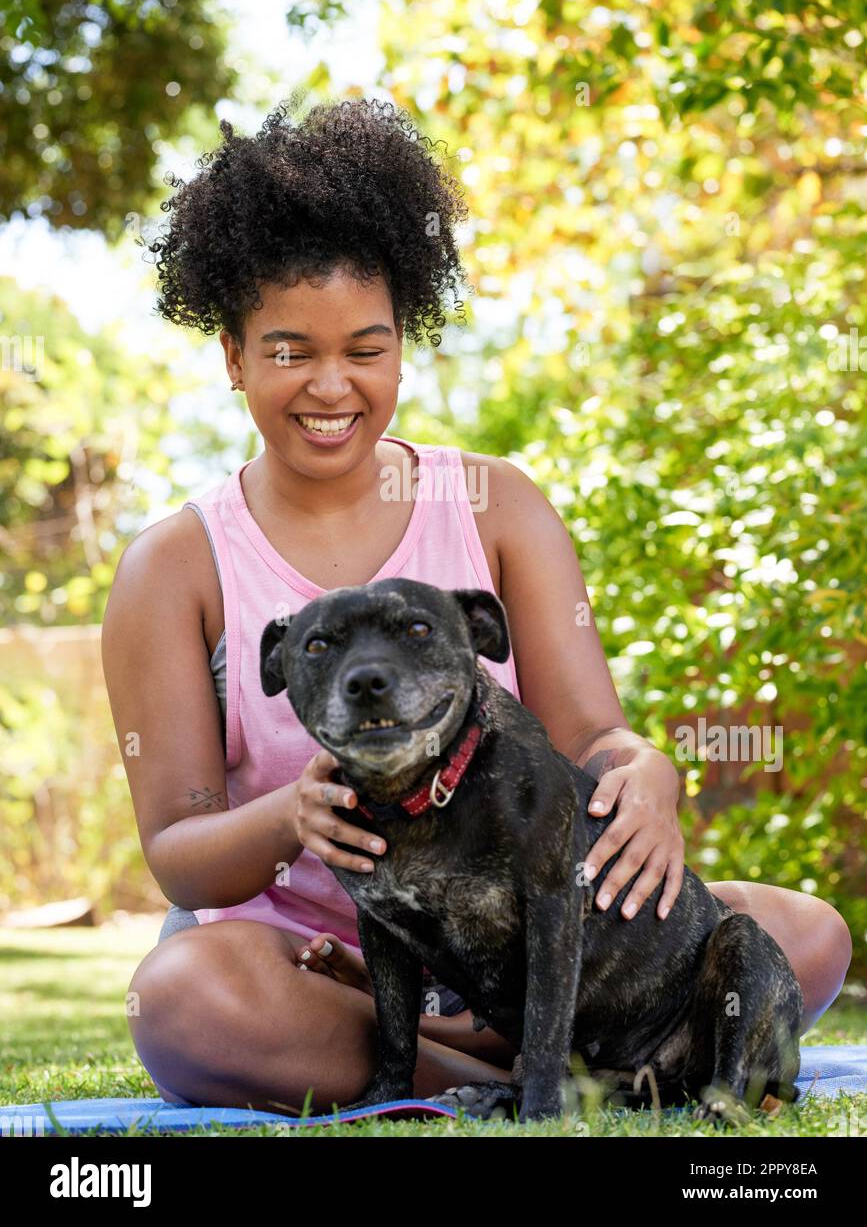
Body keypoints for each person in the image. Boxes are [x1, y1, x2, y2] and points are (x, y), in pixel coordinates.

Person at [103, 97, 852, 1115]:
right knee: (185, 1004)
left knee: (806, 935)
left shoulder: (497, 506)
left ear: (404, 342)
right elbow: (181, 855)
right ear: (233, 354)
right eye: (290, 351)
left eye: (366, 348)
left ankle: (485, 1060)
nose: (332, 385)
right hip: (306, 958)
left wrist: (648, 773)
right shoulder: (176, 564)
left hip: (522, 952)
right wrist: (295, 815)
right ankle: (509, 1075)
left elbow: (590, 732)